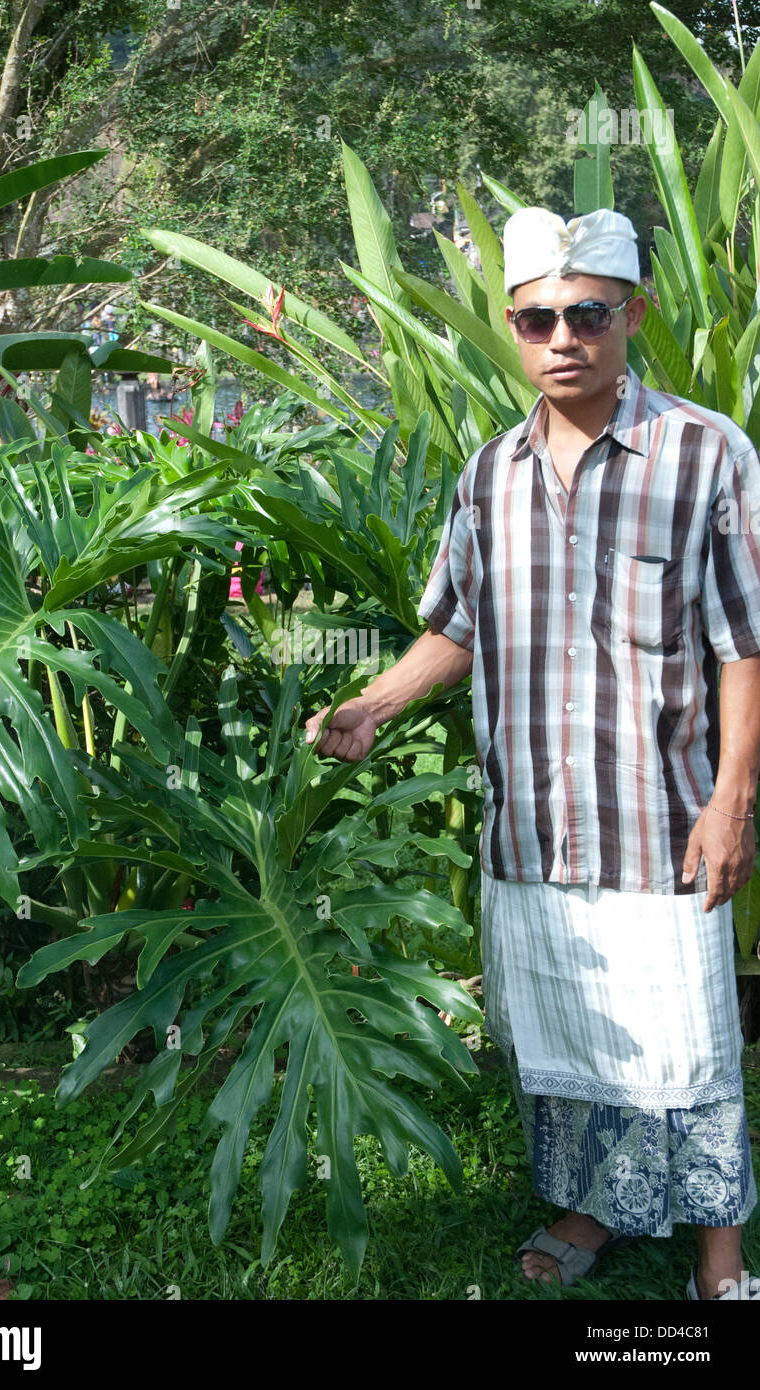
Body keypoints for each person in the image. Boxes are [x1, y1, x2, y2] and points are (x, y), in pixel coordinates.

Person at [304, 206, 760, 1301]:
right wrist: (373, 699)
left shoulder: (705, 455)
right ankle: (599, 1205)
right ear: (512, 326)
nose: (563, 336)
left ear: (631, 316)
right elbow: (456, 625)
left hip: (662, 822)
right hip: (533, 827)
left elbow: (746, 640)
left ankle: (719, 1264)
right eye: (537, 317)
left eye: (588, 313)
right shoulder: (489, 473)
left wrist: (733, 796)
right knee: (579, 1046)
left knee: (689, 1051)